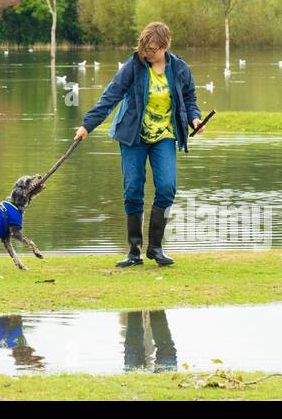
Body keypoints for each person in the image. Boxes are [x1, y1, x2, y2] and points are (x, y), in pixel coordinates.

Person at [74, 21, 202, 267]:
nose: (147, 53)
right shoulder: (134, 66)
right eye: (145, 48)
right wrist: (87, 125)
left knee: (166, 187)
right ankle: (134, 252)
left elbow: (190, 99)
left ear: (165, 46)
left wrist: (195, 119)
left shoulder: (181, 70)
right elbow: (110, 96)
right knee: (133, 189)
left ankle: (155, 248)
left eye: (152, 49)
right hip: (133, 136)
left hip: (164, 135)